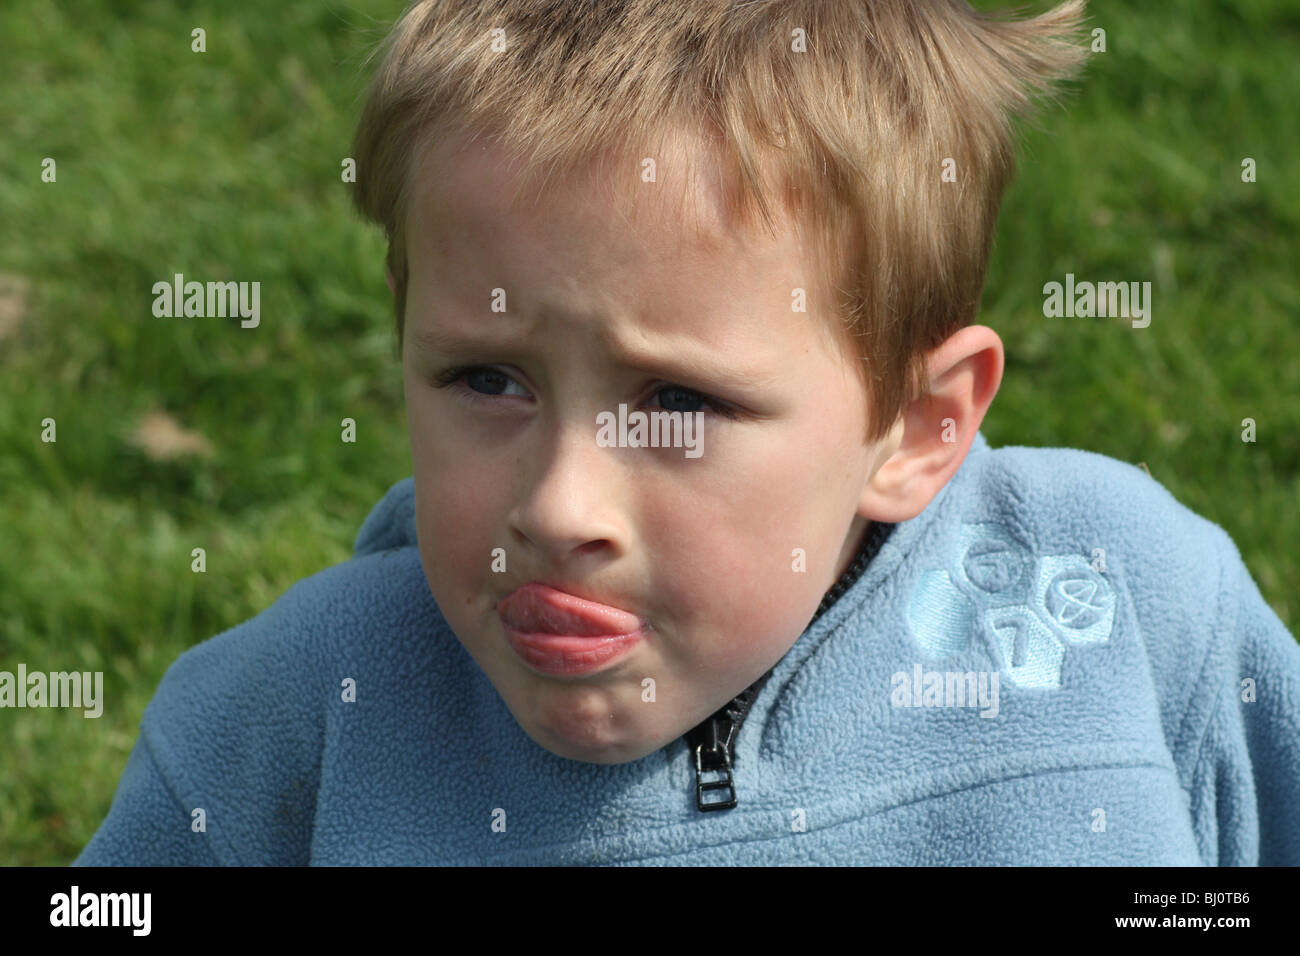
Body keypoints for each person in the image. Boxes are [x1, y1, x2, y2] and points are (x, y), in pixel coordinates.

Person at [74, 0, 1299, 865]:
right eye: (487, 377)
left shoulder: (1117, 598)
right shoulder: (286, 722)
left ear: (917, 427)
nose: (558, 507)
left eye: (677, 403)